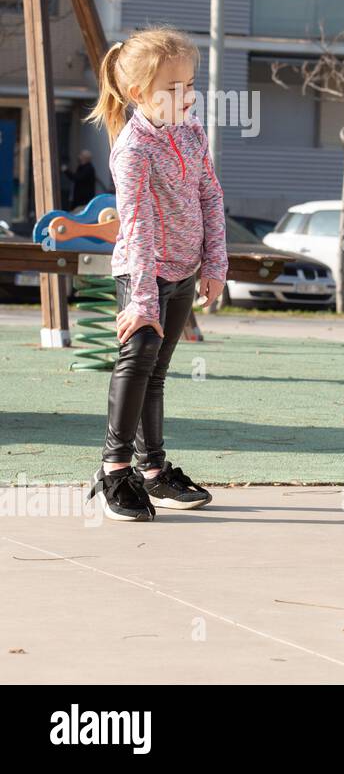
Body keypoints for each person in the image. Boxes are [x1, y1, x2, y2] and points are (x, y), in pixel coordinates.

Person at [84, 28, 227, 521]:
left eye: (190, 85)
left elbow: (210, 195)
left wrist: (214, 264)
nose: (185, 97)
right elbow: (139, 226)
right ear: (138, 93)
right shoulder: (133, 149)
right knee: (138, 358)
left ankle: (153, 470)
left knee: (157, 373)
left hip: (185, 271)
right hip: (142, 274)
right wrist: (142, 301)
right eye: (172, 89)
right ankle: (114, 468)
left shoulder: (192, 132)